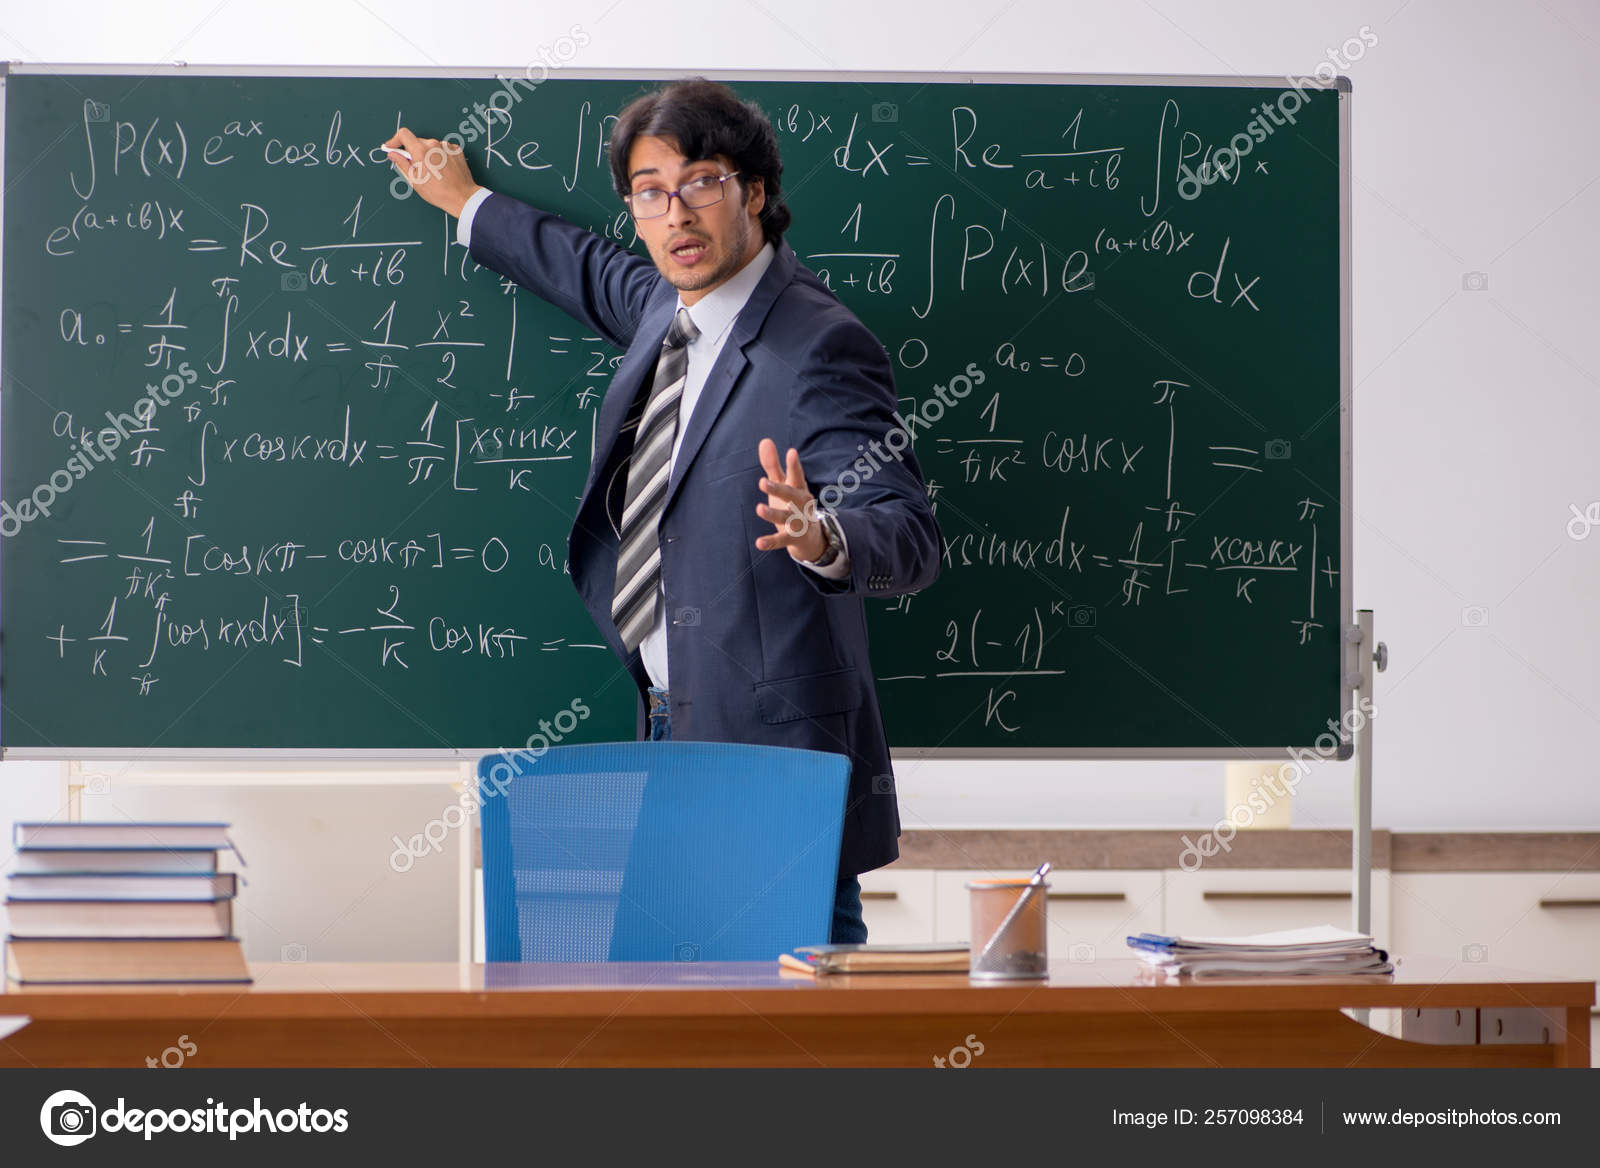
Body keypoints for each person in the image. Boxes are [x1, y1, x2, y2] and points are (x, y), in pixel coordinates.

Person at [385, 77, 940, 943]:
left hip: (774, 768)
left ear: (754, 192)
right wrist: (466, 200)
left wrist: (821, 535)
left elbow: (908, 534)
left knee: (796, 1053)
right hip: (665, 737)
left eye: (702, 183)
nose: (677, 214)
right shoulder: (662, 309)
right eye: (651, 193)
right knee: (660, 1023)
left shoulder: (818, 344)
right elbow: (582, 265)